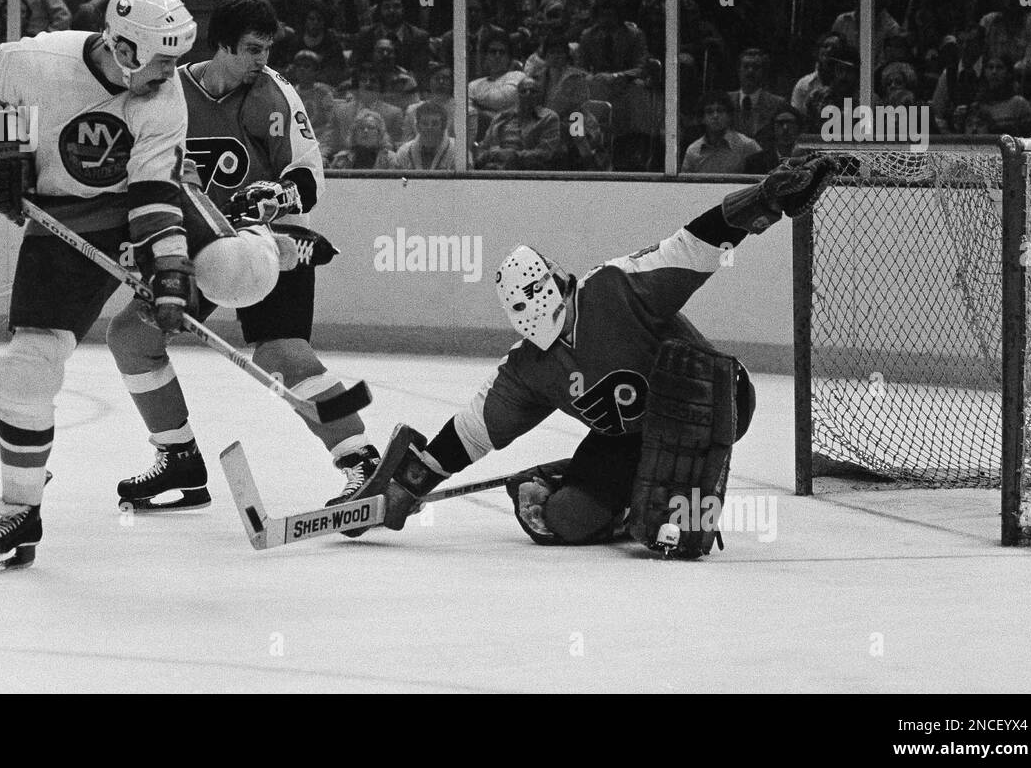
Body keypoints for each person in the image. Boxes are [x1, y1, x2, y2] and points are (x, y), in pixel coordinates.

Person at [345, 155, 838, 556]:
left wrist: (762, 201)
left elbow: (691, 247)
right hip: (629, 439)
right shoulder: (527, 371)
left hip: (715, 404)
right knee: (563, 521)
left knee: (677, 527)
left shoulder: (613, 289)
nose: (527, 313)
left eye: (529, 299)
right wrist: (413, 482)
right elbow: (474, 431)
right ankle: (582, 487)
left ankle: (636, 490)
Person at [0, 0, 230, 568]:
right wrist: (2, 154)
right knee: (27, 367)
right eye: (162, 59)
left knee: (237, 271)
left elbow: (155, 193)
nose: (172, 71)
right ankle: (19, 511)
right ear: (126, 49)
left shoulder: (163, 98)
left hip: (133, 205)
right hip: (65, 215)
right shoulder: (35, 61)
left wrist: (169, 272)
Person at [109, 0, 380, 512]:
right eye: (253, 49)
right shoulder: (166, 92)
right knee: (131, 337)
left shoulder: (274, 95)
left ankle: (360, 458)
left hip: (270, 240)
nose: (263, 60)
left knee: (280, 351)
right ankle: (179, 457)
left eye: (267, 49)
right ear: (222, 47)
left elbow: (307, 177)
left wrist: (277, 195)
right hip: (200, 241)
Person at [682, 92, 761, 174]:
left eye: (720, 111)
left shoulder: (747, 146)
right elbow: (684, 184)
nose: (715, 116)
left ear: (729, 116)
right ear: (702, 118)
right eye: (709, 112)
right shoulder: (693, 150)